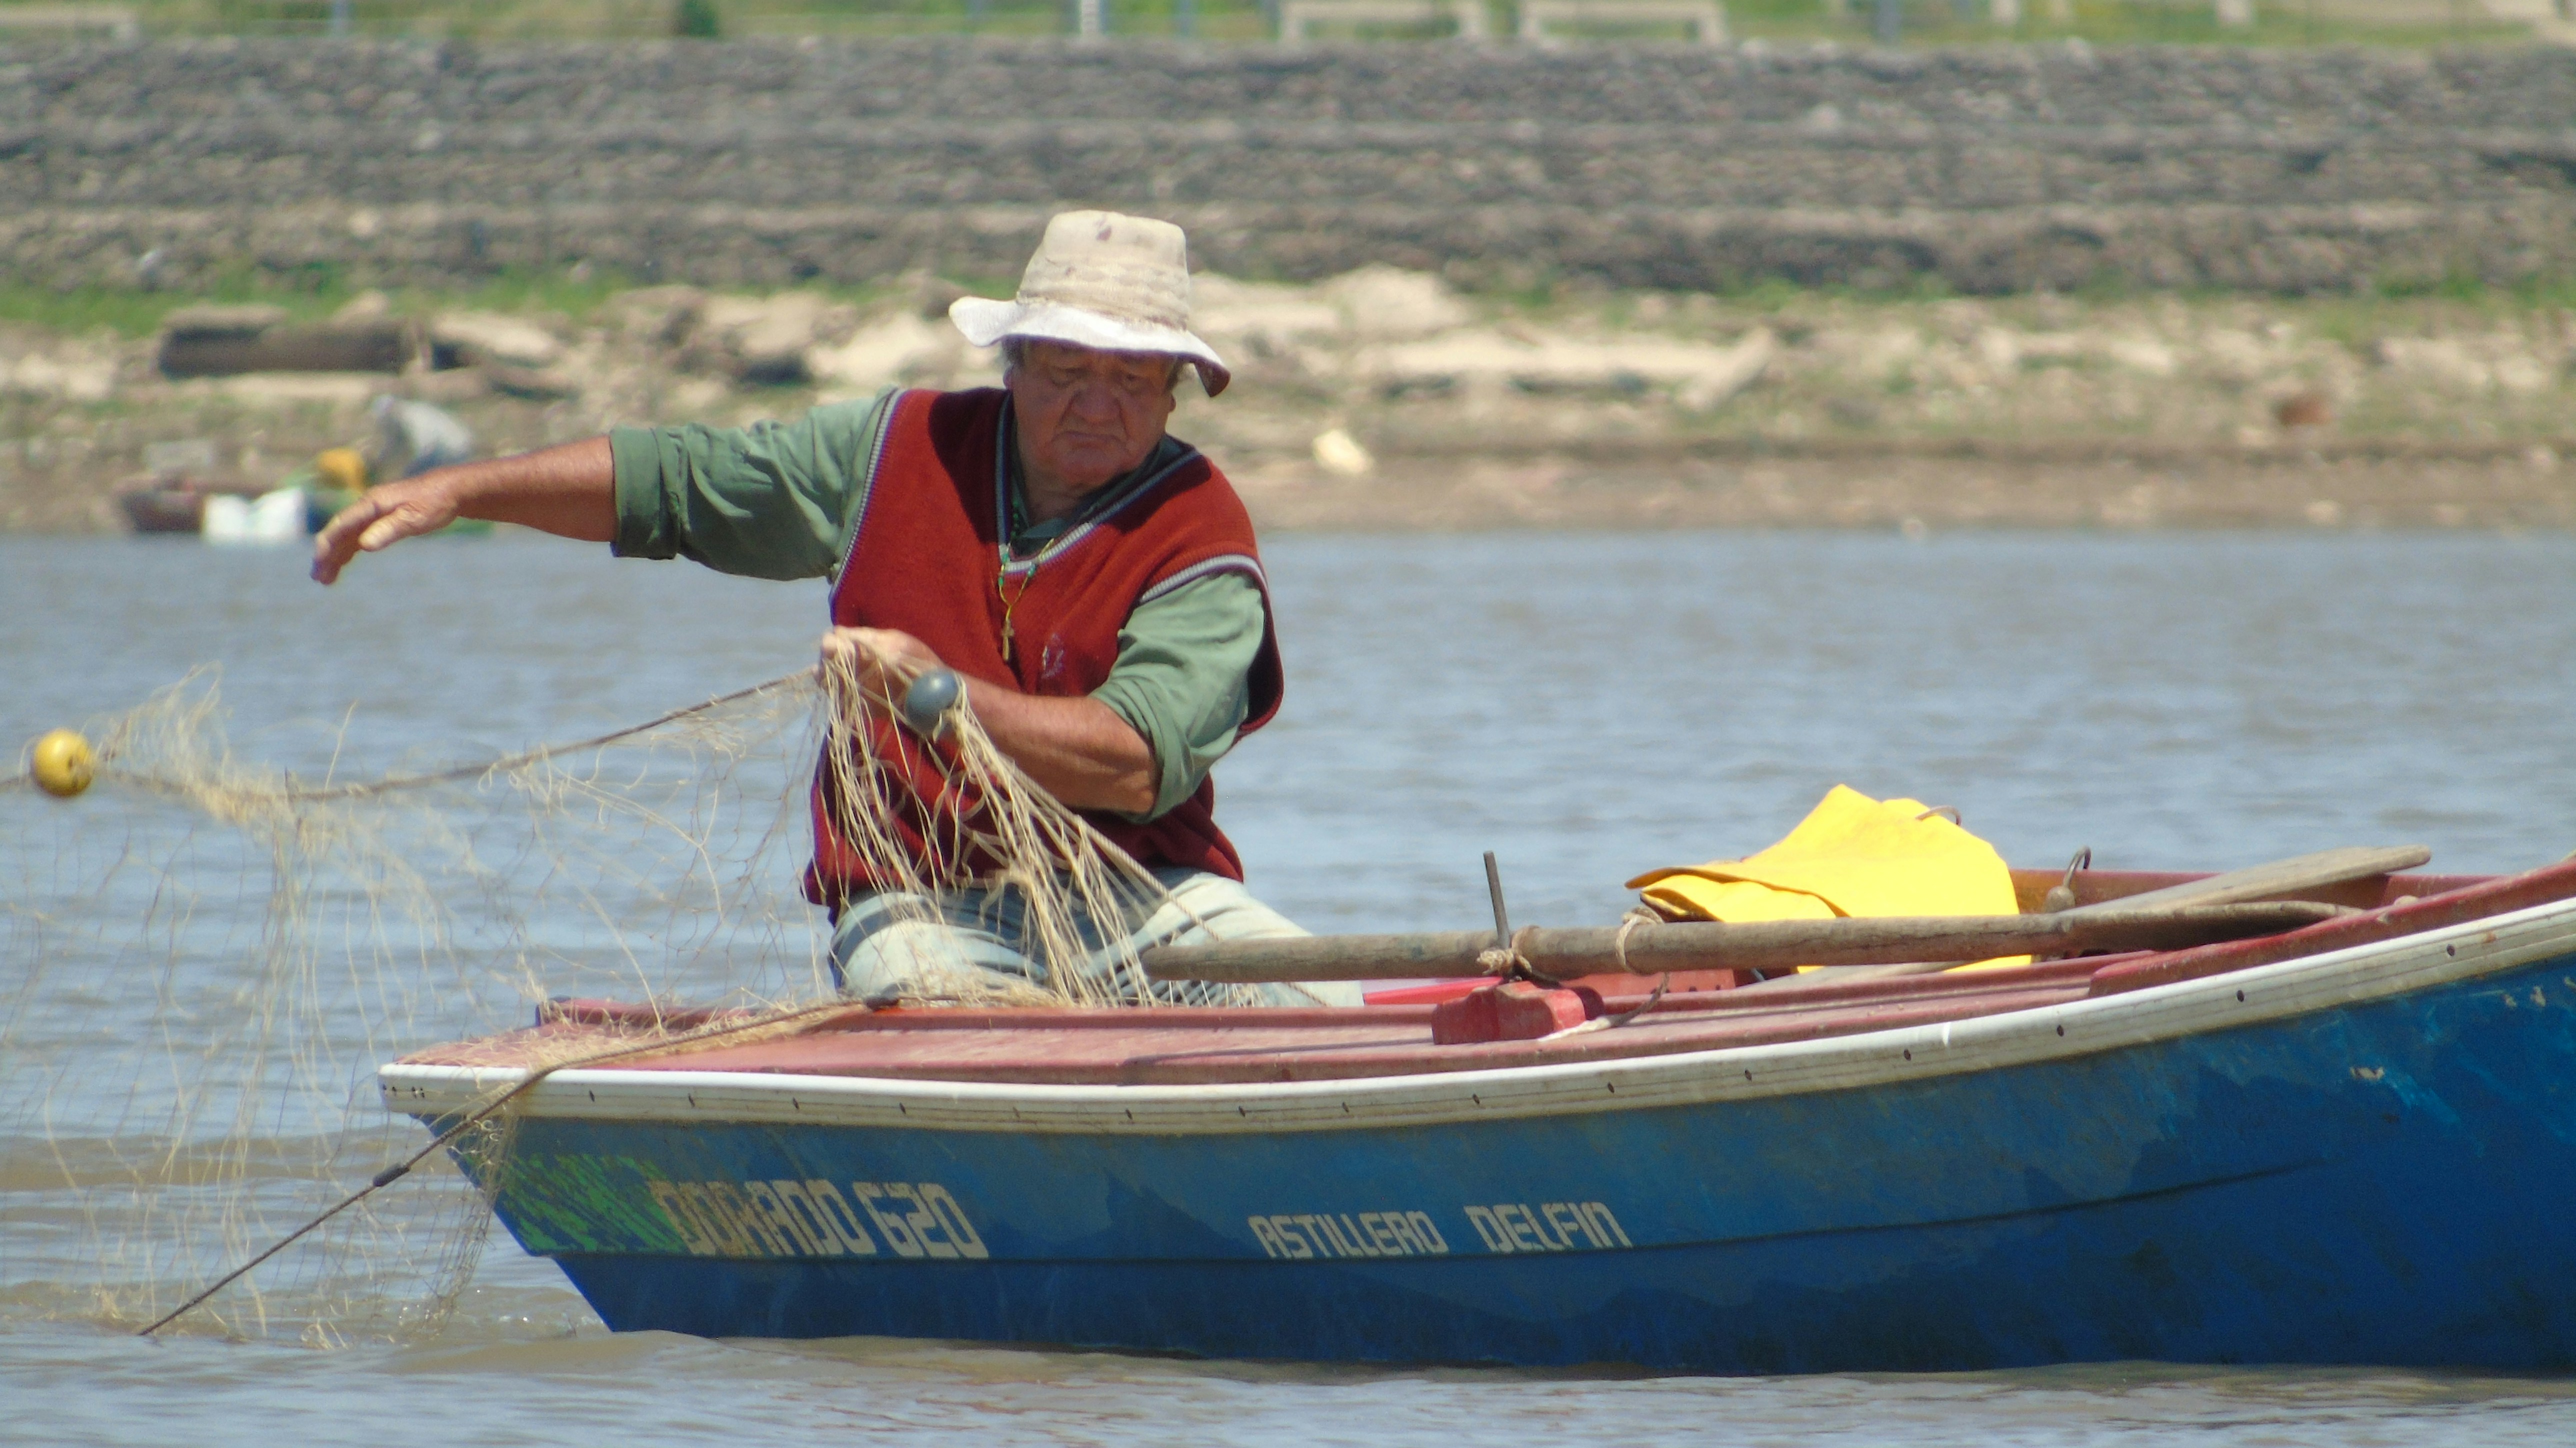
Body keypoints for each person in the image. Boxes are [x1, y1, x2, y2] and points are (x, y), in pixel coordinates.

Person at [312, 210, 1352, 1007]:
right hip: (923, 901)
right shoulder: (893, 448)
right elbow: (678, 484)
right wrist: (462, 490)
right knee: (961, 1036)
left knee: (1321, 1012)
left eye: (1130, 379)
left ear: (1176, 389)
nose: (1095, 403)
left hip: (1137, 895)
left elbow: (1129, 759)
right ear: (1011, 365)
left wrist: (935, 697)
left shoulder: (1200, 529)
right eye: (1065, 368)